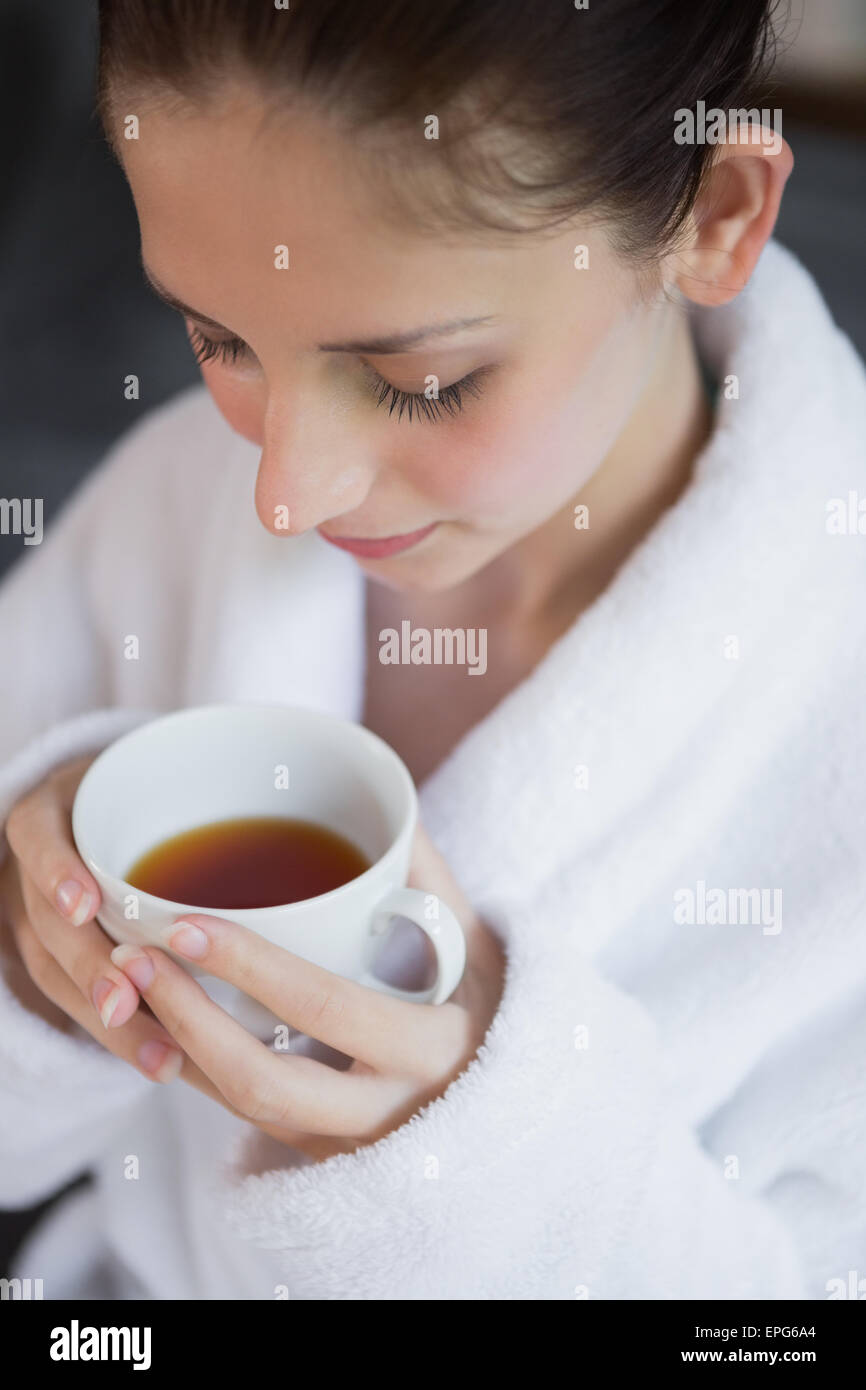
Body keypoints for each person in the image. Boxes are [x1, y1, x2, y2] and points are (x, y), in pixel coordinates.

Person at [1, 0, 864, 1300]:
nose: (283, 492)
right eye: (219, 338)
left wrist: (473, 1144)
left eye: (417, 380)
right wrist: (31, 963)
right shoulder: (172, 503)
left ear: (718, 216)